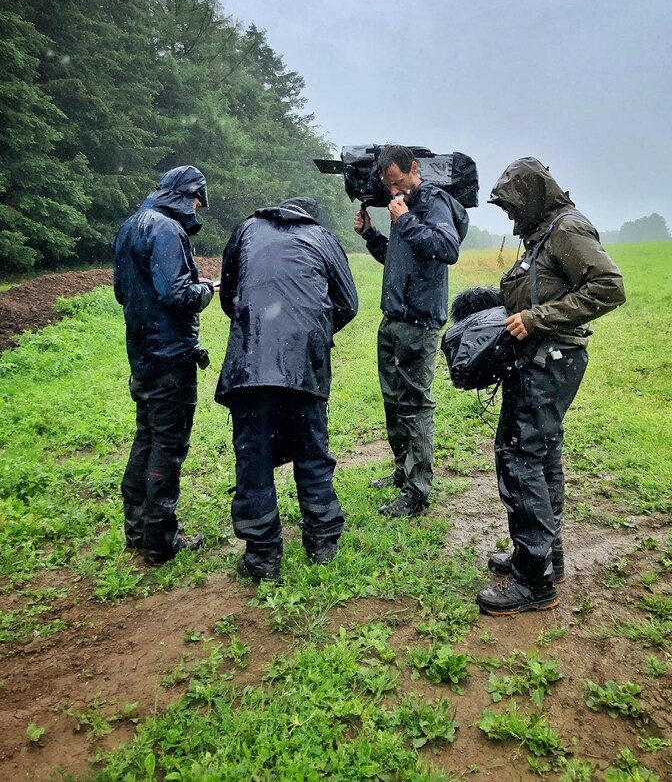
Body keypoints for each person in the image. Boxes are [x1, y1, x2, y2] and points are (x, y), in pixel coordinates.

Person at [477, 156, 626, 615]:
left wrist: (538, 318)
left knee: (520, 456)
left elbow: (609, 286)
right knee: (540, 456)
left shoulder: (567, 229)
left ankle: (533, 582)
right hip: (542, 359)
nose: (509, 214)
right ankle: (544, 557)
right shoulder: (543, 231)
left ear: (534, 195)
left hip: (551, 359)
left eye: (512, 204)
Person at [215, 197, 358, 582]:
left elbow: (229, 295)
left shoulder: (246, 230)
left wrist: (258, 326)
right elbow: (349, 304)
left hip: (250, 364)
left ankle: (262, 558)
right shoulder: (322, 237)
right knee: (312, 451)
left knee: (254, 458)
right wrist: (310, 332)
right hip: (304, 365)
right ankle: (322, 543)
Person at [354, 145, 469, 517]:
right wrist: (371, 235)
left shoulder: (434, 201)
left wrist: (404, 220)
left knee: (416, 405)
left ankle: (417, 491)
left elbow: (448, 248)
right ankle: (404, 471)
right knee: (394, 402)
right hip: (393, 319)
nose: (393, 191)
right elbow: (397, 258)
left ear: (414, 168)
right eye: (388, 185)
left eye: (397, 181)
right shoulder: (401, 206)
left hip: (419, 322)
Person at [113, 166, 215, 566]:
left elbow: (121, 291)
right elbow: (177, 294)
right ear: (187, 195)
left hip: (141, 356)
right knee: (167, 448)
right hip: (172, 356)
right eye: (197, 200)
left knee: (146, 439)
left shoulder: (129, 227)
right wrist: (205, 289)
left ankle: (137, 531)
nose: (197, 208)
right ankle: (160, 541)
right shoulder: (168, 230)